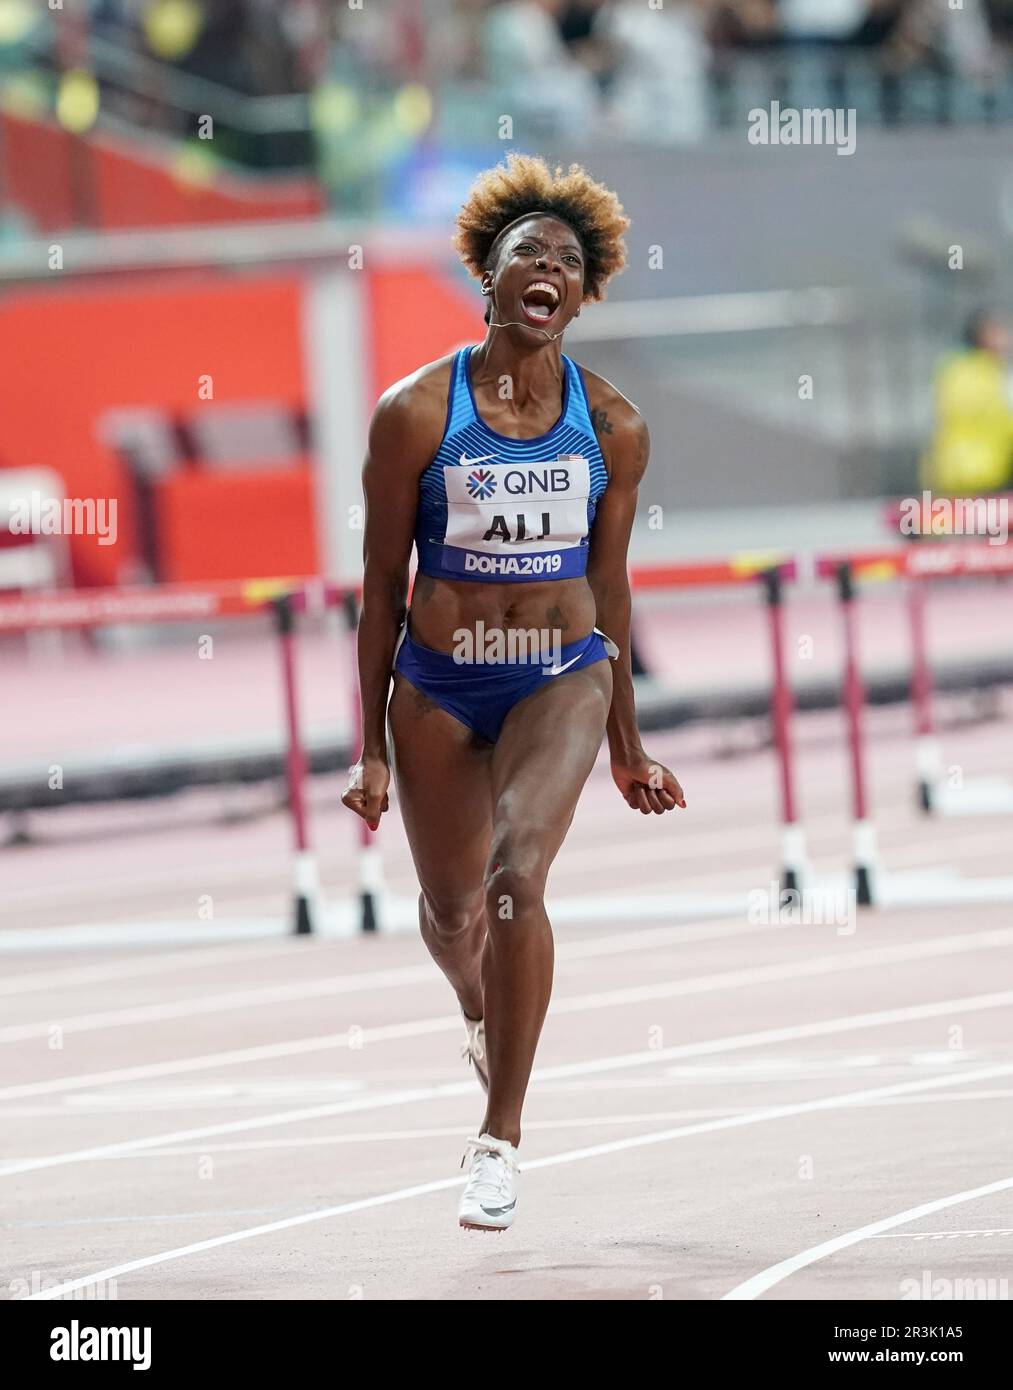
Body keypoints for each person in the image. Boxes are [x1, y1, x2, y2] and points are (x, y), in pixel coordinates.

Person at [342, 154, 686, 1232]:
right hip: (438, 684)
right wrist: (371, 748)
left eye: (568, 262)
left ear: (583, 297)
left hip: (557, 677)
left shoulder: (614, 426)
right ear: (486, 281)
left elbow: (610, 585)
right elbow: (377, 589)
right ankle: (477, 1007)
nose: (546, 267)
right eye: (524, 253)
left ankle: (497, 1138)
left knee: (512, 878)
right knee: (451, 913)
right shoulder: (413, 415)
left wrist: (626, 740)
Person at [921, 308, 1013, 498]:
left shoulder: (961, 368)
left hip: (962, 470)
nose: (1006, 338)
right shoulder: (976, 372)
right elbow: (994, 416)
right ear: (982, 336)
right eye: (999, 332)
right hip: (977, 471)